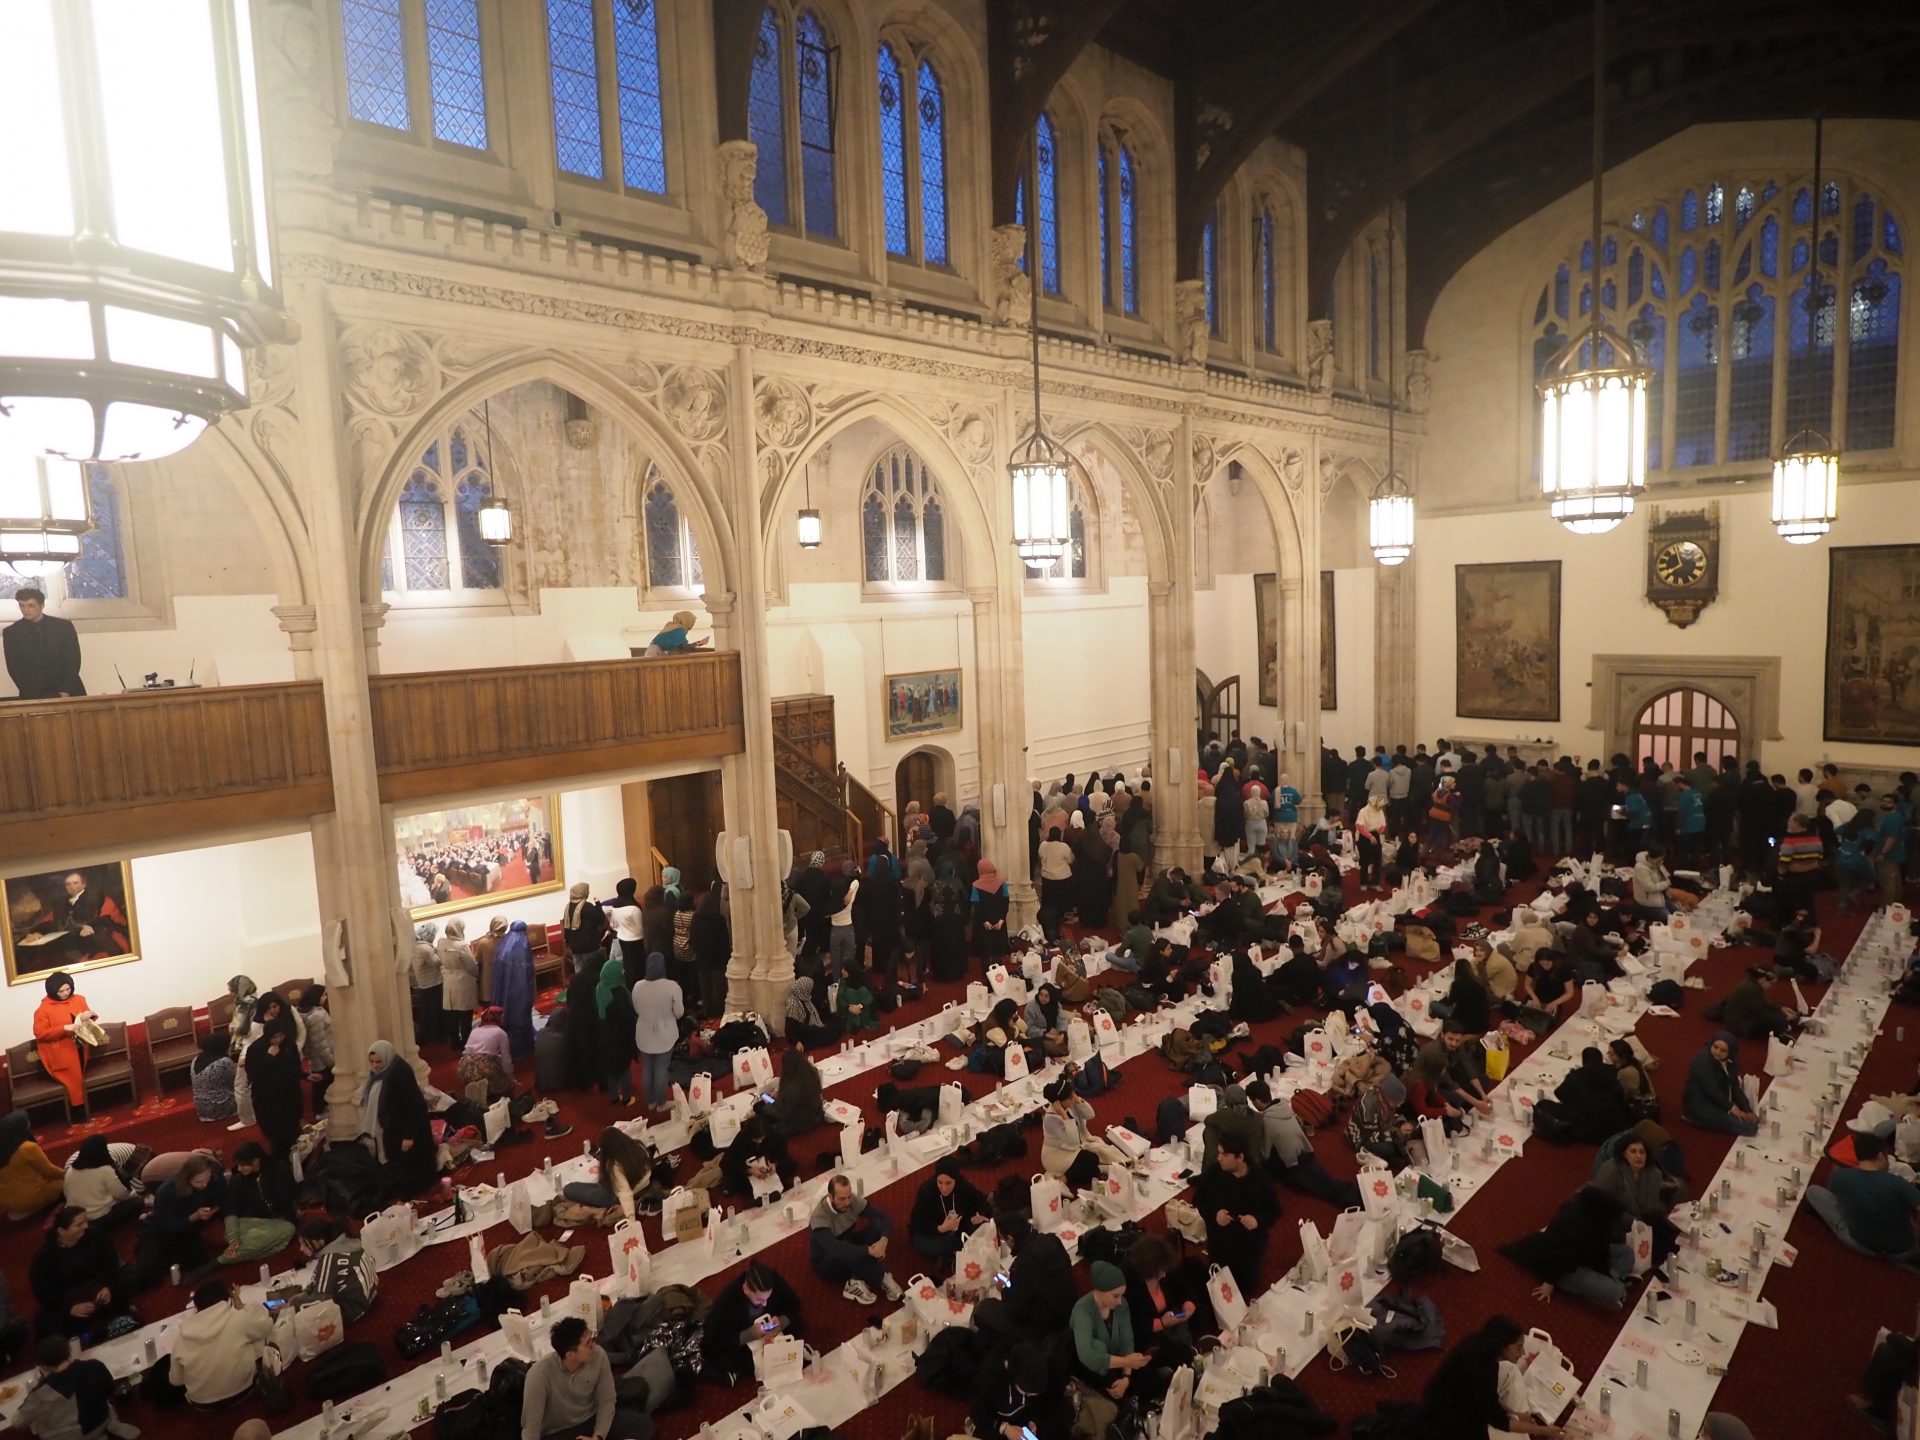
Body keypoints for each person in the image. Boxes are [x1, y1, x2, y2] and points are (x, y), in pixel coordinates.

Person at [1420, 1314, 1566, 1440]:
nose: (1522, 1353)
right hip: (1452, 1420)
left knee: (1511, 1372)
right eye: (1518, 1347)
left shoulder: (1477, 1343)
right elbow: (1498, 1419)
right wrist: (1543, 1430)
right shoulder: (1483, 1371)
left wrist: (1516, 1414)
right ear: (1502, 1346)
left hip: (1446, 1397)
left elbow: (1488, 1401)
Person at [1498, 1187, 1635, 1307]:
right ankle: (1611, 1285)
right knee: (1617, 1291)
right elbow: (1556, 1253)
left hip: (1585, 1257)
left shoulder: (1597, 1219)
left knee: (1627, 1253)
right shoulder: (1571, 1222)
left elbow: (1601, 1247)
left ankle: (1608, 1281)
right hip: (1565, 1269)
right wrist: (1549, 1282)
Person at [523, 1316, 651, 1440]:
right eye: (588, 1344)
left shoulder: (598, 1355)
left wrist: (598, 1436)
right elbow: (531, 1430)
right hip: (559, 1432)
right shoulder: (538, 1375)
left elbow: (606, 1400)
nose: (594, 1346)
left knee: (643, 1425)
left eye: (592, 1339)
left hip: (591, 1418)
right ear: (570, 1355)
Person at [1804, 1133, 1920, 1267]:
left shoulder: (1839, 1176)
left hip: (1859, 1244)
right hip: (1903, 1251)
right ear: (1881, 1156)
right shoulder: (1899, 1183)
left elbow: (1837, 1198)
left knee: (1813, 1191)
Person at [1069, 1262, 1150, 1440]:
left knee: (1144, 1382)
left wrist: (1126, 1377)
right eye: (1115, 1296)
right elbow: (1087, 1355)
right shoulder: (1082, 1310)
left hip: (1115, 1367)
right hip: (1091, 1370)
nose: (1120, 1301)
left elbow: (1127, 1341)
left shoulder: (1121, 1305)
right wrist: (1127, 1363)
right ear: (1099, 1290)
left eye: (1121, 1295)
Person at [30, 1207, 135, 1340]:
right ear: (62, 1231)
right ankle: (107, 1322)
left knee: (127, 1282)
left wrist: (107, 1287)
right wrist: (70, 1308)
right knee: (44, 1323)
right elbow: (44, 1292)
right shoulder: (44, 1257)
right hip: (70, 1299)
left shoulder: (96, 1236)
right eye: (79, 1224)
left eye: (85, 1221)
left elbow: (110, 1265)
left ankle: (105, 1322)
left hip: (98, 1291)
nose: (85, 1226)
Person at [1192, 1133, 1279, 1292]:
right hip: (1220, 1241)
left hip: (1248, 1244)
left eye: (1224, 1154)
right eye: (1219, 1153)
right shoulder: (1214, 1173)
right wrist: (1215, 1215)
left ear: (1240, 1157)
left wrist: (1257, 1220)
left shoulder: (1261, 1180)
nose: (1219, 1158)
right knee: (1218, 1287)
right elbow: (1198, 1200)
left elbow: (1275, 1211)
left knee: (1246, 1289)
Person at [168, 1280, 271, 1406]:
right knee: (257, 1337)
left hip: (201, 1403)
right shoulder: (238, 1319)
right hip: (244, 1389)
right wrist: (243, 1307)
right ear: (229, 1299)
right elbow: (266, 1325)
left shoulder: (181, 1337)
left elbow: (176, 1380)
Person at [700, 1263, 804, 1386]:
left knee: (798, 1324)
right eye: (759, 1300)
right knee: (726, 1358)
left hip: (770, 1326)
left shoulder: (773, 1280)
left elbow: (793, 1304)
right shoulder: (726, 1302)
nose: (765, 1304)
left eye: (768, 1298)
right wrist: (750, 1334)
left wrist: (782, 1322)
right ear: (746, 1289)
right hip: (741, 1336)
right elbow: (713, 1341)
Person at [19, 1334, 139, 1440]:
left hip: (66, 1436)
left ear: (44, 1367)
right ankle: (112, 1425)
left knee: (39, 1424)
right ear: (69, 1350)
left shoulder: (41, 1392)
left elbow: (18, 1422)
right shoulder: (94, 1365)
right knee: (106, 1405)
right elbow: (109, 1390)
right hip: (102, 1420)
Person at [807, 1174, 902, 1305]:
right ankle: (881, 1277)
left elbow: (884, 1218)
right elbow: (837, 1249)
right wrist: (869, 1251)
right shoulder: (819, 1218)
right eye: (842, 1199)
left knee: (877, 1225)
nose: (847, 1202)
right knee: (849, 1251)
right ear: (830, 1197)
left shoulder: (851, 1201)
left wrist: (883, 1242)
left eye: (849, 1197)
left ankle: (855, 1280)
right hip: (827, 1261)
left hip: (846, 1241)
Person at [362, 1041, 438, 1198]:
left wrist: (409, 1136)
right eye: (372, 1062)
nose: (375, 1066)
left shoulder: (400, 1072)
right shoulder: (383, 1073)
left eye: (378, 1062)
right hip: (394, 1125)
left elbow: (414, 1105)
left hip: (407, 1127)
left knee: (412, 1165)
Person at [135, 1154, 226, 1285]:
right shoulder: (168, 1191)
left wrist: (216, 1212)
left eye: (207, 1179)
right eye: (199, 1182)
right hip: (161, 1228)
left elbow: (223, 1199)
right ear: (188, 1178)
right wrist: (193, 1217)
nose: (204, 1185)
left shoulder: (214, 1178)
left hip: (187, 1228)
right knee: (147, 1271)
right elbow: (167, 1226)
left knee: (199, 1259)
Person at [1041, 1075, 1127, 1190]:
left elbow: (1090, 1115)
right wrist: (1065, 1117)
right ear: (1059, 1102)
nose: (1073, 1098)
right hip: (1058, 1155)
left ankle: (1091, 1171)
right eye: (1070, 1097)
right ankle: (1065, 1179)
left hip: (1075, 1148)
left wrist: (1078, 1100)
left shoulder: (1069, 1105)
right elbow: (1072, 1141)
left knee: (1094, 1158)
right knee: (1090, 1160)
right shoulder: (1051, 1119)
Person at [971, 1344, 1069, 1440]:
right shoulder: (989, 1378)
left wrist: (1032, 1421)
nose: (1029, 1396)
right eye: (1027, 1393)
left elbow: (1036, 1403)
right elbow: (979, 1413)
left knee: (1058, 1421)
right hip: (996, 1419)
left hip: (1021, 1417)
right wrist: (1004, 1428)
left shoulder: (1037, 1369)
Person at [291, 1215, 377, 1322]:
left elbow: (320, 1299)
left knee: (297, 1311)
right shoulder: (348, 1242)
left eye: (304, 1243)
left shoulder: (330, 1259)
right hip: (367, 1296)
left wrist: (293, 1305)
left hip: (352, 1310)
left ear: (320, 1241)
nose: (301, 1248)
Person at [3, 588, 85, 699]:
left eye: (31, 605)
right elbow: (14, 667)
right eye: (22, 606)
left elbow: (73, 659)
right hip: (33, 694)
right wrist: (32, 694)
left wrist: (65, 689)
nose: (26, 610)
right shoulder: (12, 633)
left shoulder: (63, 627)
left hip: (69, 690)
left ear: (42, 605)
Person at [243, 1014, 305, 1161]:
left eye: (280, 1036)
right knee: (276, 1135)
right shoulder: (256, 1049)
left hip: (288, 1093)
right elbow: (254, 1074)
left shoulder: (289, 1045)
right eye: (274, 1037)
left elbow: (293, 1066)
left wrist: (305, 1075)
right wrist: (269, 1058)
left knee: (292, 1129)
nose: (278, 1040)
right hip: (267, 1097)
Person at [32, 972, 95, 1114]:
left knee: (80, 1077)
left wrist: (90, 1014)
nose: (66, 993)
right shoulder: (43, 1010)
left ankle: (86, 1110)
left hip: (80, 1046)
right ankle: (77, 1115)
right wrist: (64, 1028)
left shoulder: (79, 999)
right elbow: (40, 1034)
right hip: (61, 1052)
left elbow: (88, 1021)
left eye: (68, 989)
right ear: (52, 991)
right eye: (61, 991)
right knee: (72, 1082)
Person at [908, 1158, 990, 1266]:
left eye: (948, 1183)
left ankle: (952, 1252)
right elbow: (918, 1222)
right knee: (931, 1246)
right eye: (940, 1182)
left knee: (984, 1226)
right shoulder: (927, 1191)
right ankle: (954, 1250)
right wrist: (941, 1228)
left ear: (955, 1179)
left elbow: (979, 1201)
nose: (944, 1188)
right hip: (932, 1232)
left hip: (959, 1228)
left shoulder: (963, 1186)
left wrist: (974, 1217)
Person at [563, 1128, 657, 1219]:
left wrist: (631, 1219)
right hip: (644, 1184)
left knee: (569, 1189)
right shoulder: (638, 1146)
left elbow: (625, 1193)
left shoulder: (614, 1165)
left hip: (619, 1196)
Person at [630, 952, 682, 1115]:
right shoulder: (672, 986)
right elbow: (679, 1012)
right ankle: (661, 1102)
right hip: (665, 1033)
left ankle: (651, 1101)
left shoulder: (638, 986)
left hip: (644, 1032)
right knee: (661, 1068)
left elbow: (637, 1009)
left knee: (647, 1068)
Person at [1551, 1047, 1635, 1144]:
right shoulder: (1613, 1071)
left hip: (1586, 1129)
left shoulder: (1577, 1075)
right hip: (1613, 1127)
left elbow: (1559, 1093)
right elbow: (1621, 1096)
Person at [1683, 1032, 1760, 1136]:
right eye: (1715, 1047)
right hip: (1702, 1106)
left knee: (1752, 1120)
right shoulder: (1701, 1061)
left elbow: (1735, 1089)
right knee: (1749, 1128)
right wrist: (1732, 1108)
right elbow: (1712, 1090)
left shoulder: (1730, 1062)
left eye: (1723, 1050)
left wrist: (1747, 1110)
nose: (1718, 1052)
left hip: (1721, 1102)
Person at [62, 1138, 142, 1231]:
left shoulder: (70, 1171)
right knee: (137, 1202)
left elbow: (66, 1194)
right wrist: (133, 1192)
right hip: (99, 1217)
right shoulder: (104, 1170)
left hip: (75, 1217)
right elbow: (120, 1195)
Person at [0, 1111, 67, 1221]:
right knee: (63, 1184)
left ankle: (20, 1209)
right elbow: (49, 1172)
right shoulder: (27, 1148)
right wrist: (66, 1173)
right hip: (29, 1197)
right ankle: (33, 1207)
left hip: (5, 1201)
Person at [594, 953, 637, 1107]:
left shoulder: (600, 987)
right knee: (624, 1068)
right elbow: (628, 1019)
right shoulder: (620, 994)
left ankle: (613, 1097)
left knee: (611, 1069)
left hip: (604, 1037)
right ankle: (626, 1097)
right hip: (620, 1038)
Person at [495, 921, 537, 1058]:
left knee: (507, 1014)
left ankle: (507, 1046)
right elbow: (527, 971)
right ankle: (523, 1049)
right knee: (520, 1014)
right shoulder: (523, 943)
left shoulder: (504, 942)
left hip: (504, 987)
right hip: (519, 988)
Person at [1721, 966, 1794, 1042]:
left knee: (1777, 1016)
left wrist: (1780, 1008)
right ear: (1762, 979)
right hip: (1740, 1025)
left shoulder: (1753, 985)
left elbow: (1763, 1003)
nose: (1771, 986)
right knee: (1776, 1022)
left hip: (1742, 1018)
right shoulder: (1752, 990)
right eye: (1771, 983)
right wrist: (1783, 1016)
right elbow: (1761, 1014)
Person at [438, 919, 480, 1049]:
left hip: (448, 980)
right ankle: (466, 1042)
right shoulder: (461, 946)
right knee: (465, 1015)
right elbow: (471, 966)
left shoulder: (441, 943)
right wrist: (477, 975)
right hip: (463, 982)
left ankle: (454, 1041)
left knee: (452, 1015)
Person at [765, 1047, 824, 1139]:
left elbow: (783, 1112)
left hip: (799, 1123)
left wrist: (769, 1103)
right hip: (816, 1115)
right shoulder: (812, 1072)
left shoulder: (791, 1087)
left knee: (761, 1106)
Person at [690, 888, 730, 1019]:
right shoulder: (719, 919)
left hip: (702, 958)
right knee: (718, 986)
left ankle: (708, 1010)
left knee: (705, 986)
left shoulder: (696, 918)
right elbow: (724, 940)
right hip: (718, 958)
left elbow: (693, 938)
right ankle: (719, 1012)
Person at [459, 1007, 515, 1100]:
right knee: (501, 1069)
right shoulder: (500, 1033)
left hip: (465, 1068)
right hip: (484, 1071)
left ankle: (473, 1087)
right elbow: (506, 1060)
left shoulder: (475, 1030)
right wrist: (510, 1078)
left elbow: (466, 1052)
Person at [299, 985, 335, 1115]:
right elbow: (320, 1042)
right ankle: (320, 1112)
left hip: (316, 1056)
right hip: (322, 1057)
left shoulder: (306, 1012)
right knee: (322, 1084)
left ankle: (320, 1109)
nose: (325, 998)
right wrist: (331, 1061)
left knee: (320, 1083)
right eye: (323, 995)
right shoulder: (316, 1016)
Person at [190, 1034, 238, 1125]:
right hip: (222, 1106)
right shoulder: (223, 1061)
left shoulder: (195, 1059)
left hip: (201, 1109)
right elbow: (235, 1081)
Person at [409, 922, 443, 1048]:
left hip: (423, 984)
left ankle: (429, 1036)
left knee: (427, 1012)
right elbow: (437, 963)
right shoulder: (426, 949)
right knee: (435, 1011)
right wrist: (440, 950)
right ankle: (437, 1036)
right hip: (432, 984)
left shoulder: (416, 946)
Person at [782, 976, 838, 1052]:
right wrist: (796, 1042)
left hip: (809, 1027)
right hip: (802, 1031)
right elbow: (789, 1028)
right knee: (828, 1034)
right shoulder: (793, 1003)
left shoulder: (804, 997)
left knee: (835, 1022)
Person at [561, 884, 607, 961]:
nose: (588, 892)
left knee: (579, 969)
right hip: (588, 946)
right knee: (590, 969)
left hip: (575, 945)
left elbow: (567, 928)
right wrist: (598, 905)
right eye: (587, 891)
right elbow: (601, 919)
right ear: (582, 893)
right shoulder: (587, 906)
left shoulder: (568, 906)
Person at [835, 962, 877, 1034]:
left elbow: (870, 996)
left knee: (863, 990)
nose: (842, 971)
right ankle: (854, 1023)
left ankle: (860, 1021)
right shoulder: (843, 980)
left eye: (844, 970)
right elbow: (840, 997)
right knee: (850, 992)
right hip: (848, 1009)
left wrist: (860, 1006)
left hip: (863, 1008)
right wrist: (849, 1007)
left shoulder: (863, 978)